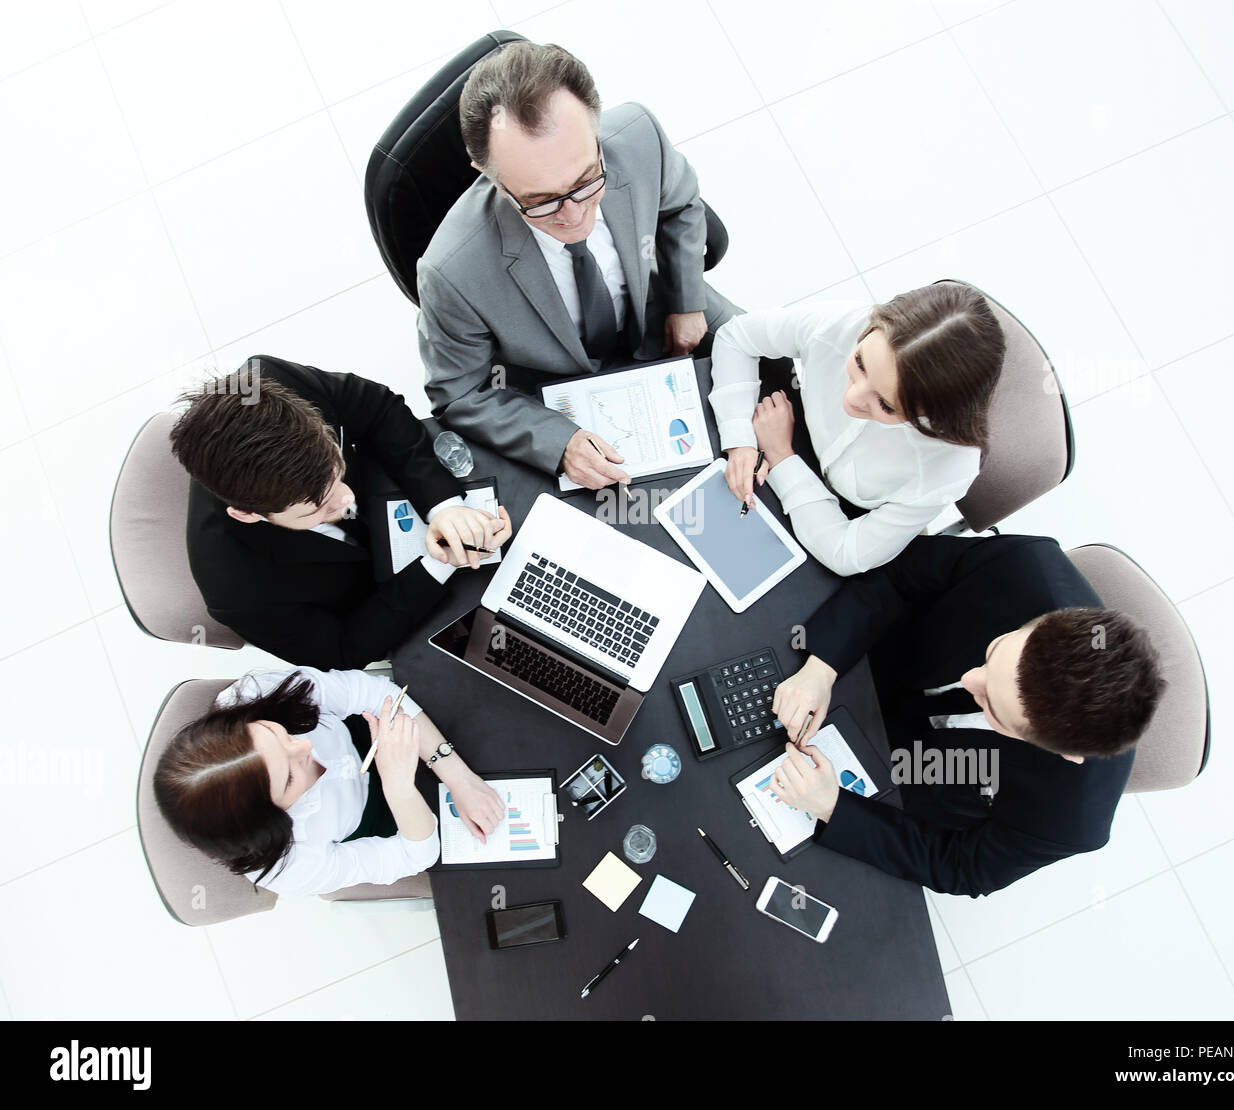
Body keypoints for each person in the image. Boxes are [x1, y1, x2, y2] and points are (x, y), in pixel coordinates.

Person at [766, 534, 1166, 897]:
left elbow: (963, 866)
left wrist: (834, 808)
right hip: (867, 659)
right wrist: (822, 666)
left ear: (1064, 753)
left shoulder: (1073, 816)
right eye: (995, 653)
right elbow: (901, 573)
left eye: (992, 705)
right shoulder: (1024, 566)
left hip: (913, 779)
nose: (970, 678)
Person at [417, 40, 739, 488]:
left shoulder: (638, 136)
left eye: (587, 180)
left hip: (661, 310)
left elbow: (683, 206)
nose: (574, 216)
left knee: (777, 378)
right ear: (484, 172)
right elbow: (460, 394)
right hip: (556, 386)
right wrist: (557, 441)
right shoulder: (451, 273)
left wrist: (686, 301)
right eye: (540, 201)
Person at [171, 355, 511, 670]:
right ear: (247, 515)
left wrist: (444, 506)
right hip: (391, 603)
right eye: (318, 507)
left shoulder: (272, 382)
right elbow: (345, 649)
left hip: (399, 496)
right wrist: (438, 562)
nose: (345, 499)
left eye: (336, 471)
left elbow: (379, 408)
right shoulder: (235, 593)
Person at [708, 285, 1005, 576]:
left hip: (832, 516)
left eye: (886, 405)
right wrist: (739, 439)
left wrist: (782, 457)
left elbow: (846, 554)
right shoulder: (844, 322)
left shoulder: (947, 468)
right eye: (861, 362)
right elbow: (737, 336)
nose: (852, 399)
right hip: (781, 439)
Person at [154, 667, 506, 897]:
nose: (305, 745)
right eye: (290, 776)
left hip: (377, 729)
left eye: (278, 734)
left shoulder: (255, 696)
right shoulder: (286, 866)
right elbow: (416, 854)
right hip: (388, 818)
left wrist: (456, 775)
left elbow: (375, 692)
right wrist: (398, 787)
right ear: (271, 820)